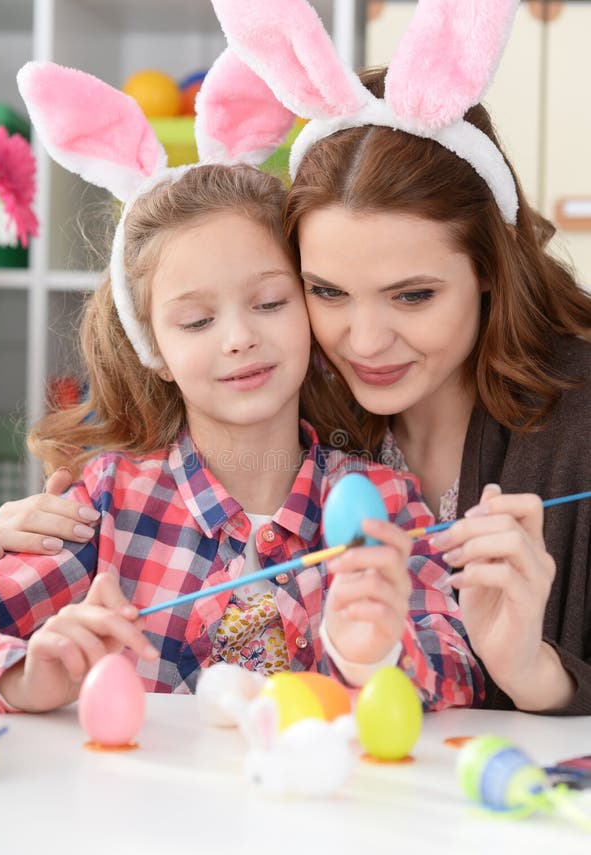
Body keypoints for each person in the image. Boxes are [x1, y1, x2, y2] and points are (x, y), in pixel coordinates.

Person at [0, 58, 483, 714]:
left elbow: (458, 664)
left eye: (270, 303)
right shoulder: (108, 503)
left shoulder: (383, 503)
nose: (238, 338)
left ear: (310, 309)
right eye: (197, 321)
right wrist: (25, 677)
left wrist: (372, 652)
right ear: (155, 350)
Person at [211, 0, 591, 713]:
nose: (363, 342)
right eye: (327, 291)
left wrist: (536, 673)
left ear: (490, 267)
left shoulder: (581, 423)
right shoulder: (288, 394)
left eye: (412, 296)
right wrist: (55, 531)